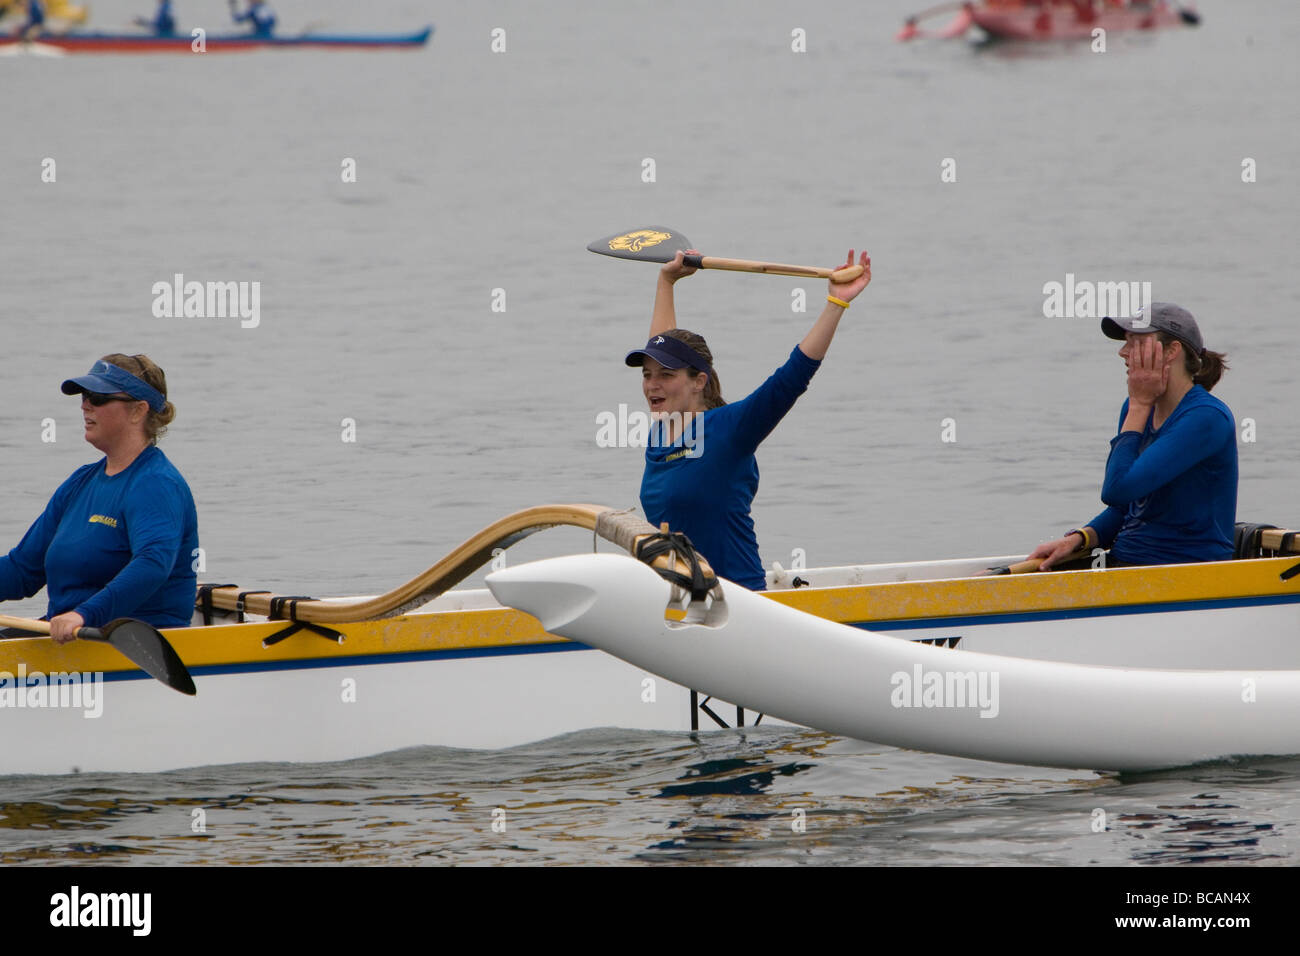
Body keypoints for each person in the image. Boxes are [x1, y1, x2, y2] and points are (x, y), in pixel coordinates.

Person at [624, 248, 871, 590]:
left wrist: (836, 304)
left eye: (665, 375)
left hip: (739, 601)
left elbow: (790, 380)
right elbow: (660, 343)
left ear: (699, 381)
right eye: (647, 375)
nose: (652, 384)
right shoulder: (663, 431)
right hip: (682, 596)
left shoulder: (730, 430)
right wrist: (666, 281)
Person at [0, 355, 199, 642]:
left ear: (138, 411)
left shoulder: (156, 484)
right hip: (73, 636)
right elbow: (23, 569)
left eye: (98, 397)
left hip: (137, 643)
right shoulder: (80, 483)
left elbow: (153, 564)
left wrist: (83, 614)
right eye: (84, 396)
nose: (85, 405)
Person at [1029, 302, 1235, 570]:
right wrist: (1083, 537)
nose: (1122, 352)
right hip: (1129, 560)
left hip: (1187, 571)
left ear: (1171, 350)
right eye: (1126, 342)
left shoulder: (1205, 418)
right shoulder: (1137, 408)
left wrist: (1139, 405)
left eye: (1136, 343)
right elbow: (1125, 505)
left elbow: (1117, 490)